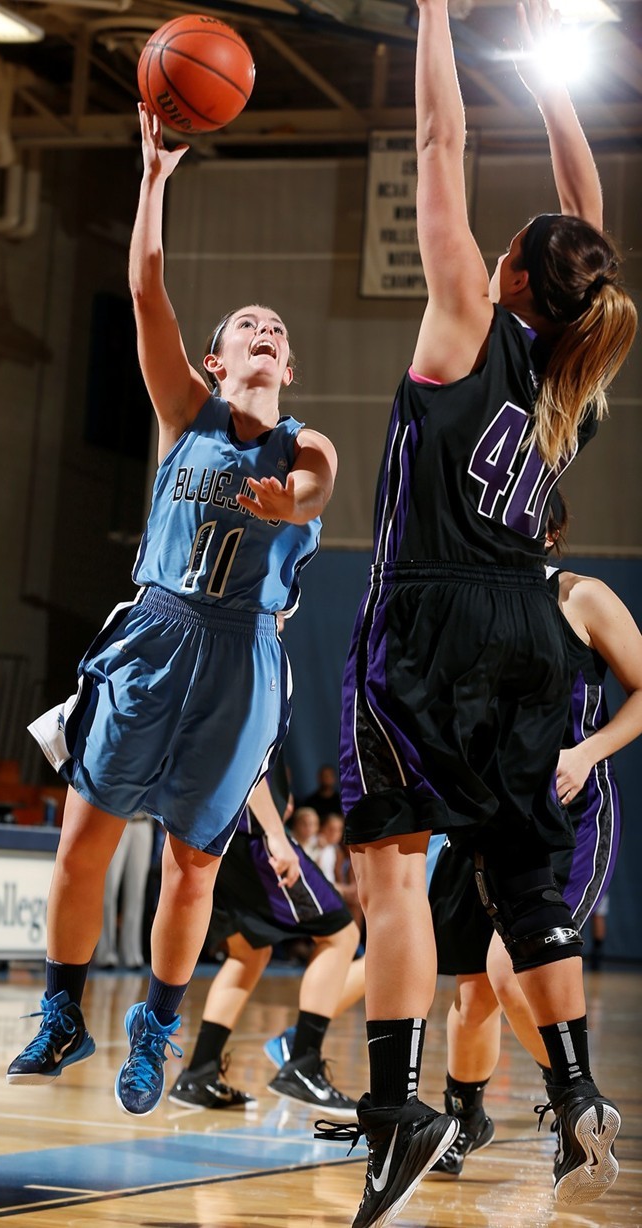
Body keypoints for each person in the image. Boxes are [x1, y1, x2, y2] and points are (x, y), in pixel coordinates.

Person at [323, 1, 638, 1224]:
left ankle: (399, 1105)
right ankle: (572, 1095)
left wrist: (435, 12)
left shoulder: (462, 319)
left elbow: (437, 144)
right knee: (519, 876)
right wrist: (554, 78)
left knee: (390, 870)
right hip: (525, 627)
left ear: (509, 273)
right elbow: (584, 220)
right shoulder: (574, 371)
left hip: (427, 619)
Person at [6, 101, 337, 1118]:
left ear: (286, 367)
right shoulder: (184, 416)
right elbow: (145, 285)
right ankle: (63, 1011)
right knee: (83, 845)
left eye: (277, 332)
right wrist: (153, 173)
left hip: (241, 661)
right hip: (154, 632)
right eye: (247, 328)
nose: (266, 332)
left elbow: (317, 488)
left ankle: (154, 1030)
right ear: (215, 360)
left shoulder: (306, 446)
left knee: (192, 871)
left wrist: (290, 501)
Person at [429, 491, 642, 1179]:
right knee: (471, 992)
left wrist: (585, 753)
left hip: (568, 820)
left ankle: (575, 1107)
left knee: (504, 963)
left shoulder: (582, 598)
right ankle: (465, 1115)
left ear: (548, 535)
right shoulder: (469, 607)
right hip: (483, 815)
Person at [169, 767, 361, 1115]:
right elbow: (252, 755)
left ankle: (198, 1073)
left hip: (203, 830)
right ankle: (302, 1063)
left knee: (248, 953)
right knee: (341, 934)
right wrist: (275, 829)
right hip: (251, 834)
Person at [93, 813, 155, 970]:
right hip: (117, 818)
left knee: (137, 893)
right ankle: (105, 953)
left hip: (144, 822)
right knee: (109, 890)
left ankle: (132, 954)